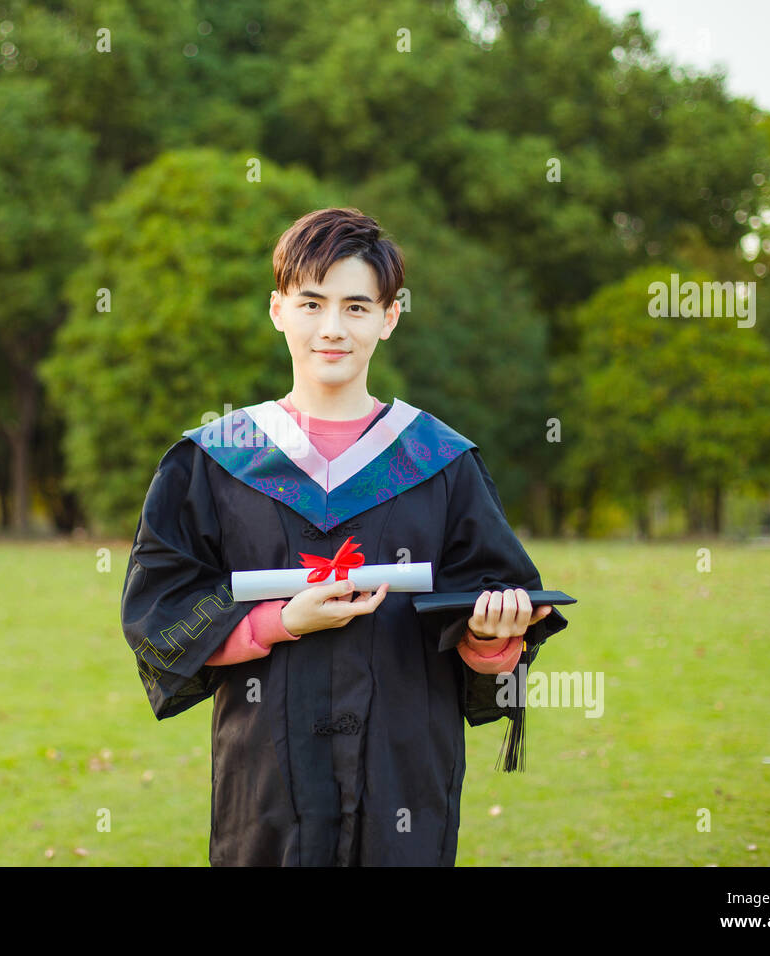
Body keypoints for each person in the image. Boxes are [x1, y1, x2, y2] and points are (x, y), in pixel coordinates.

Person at [121, 207, 568, 866]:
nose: (332, 328)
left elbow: (492, 623)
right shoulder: (214, 461)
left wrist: (490, 636)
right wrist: (280, 620)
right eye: (311, 303)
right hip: (267, 777)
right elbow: (160, 615)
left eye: (357, 307)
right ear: (278, 310)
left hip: (405, 770)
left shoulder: (440, 460)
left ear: (389, 318)